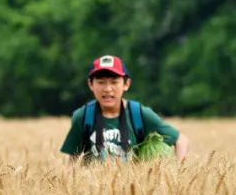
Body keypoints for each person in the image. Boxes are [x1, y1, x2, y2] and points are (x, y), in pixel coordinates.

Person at [60, 55, 190, 162]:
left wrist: (178, 173)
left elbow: (181, 141)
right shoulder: (83, 117)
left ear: (126, 84)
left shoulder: (139, 114)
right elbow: (72, 164)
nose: (107, 89)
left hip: (132, 185)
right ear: (90, 84)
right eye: (101, 82)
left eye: (114, 82)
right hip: (93, 185)